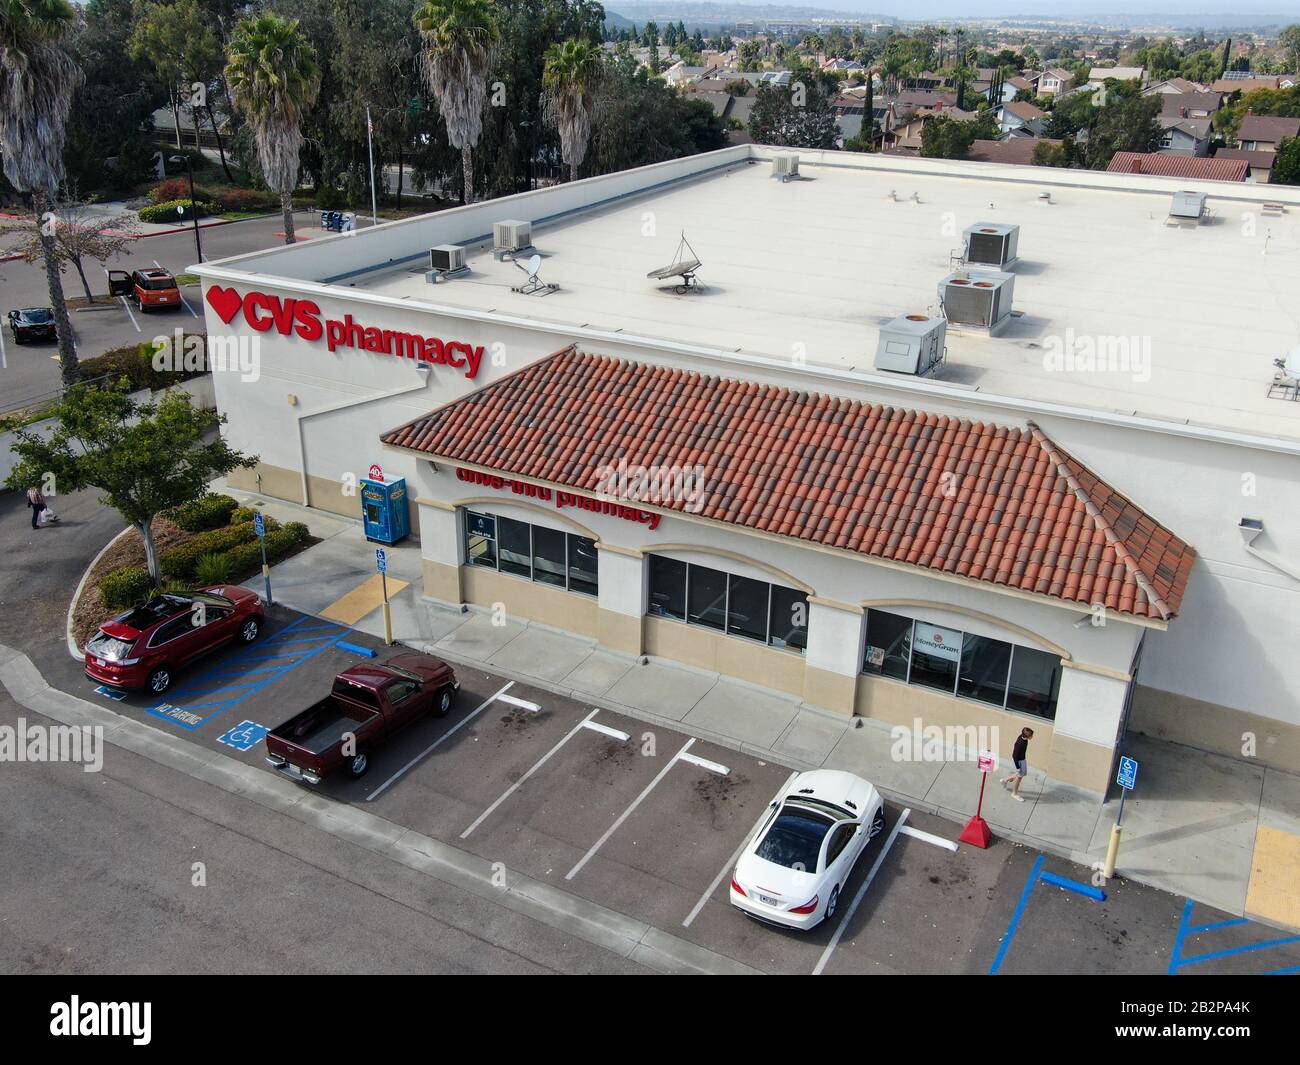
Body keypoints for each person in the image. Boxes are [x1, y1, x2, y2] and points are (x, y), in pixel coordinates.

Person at [1001, 727, 1034, 801]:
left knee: (1021, 774)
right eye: (1031, 735)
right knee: (1019, 777)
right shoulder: (1020, 743)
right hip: (1018, 761)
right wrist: (1018, 767)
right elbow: (1015, 756)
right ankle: (1014, 793)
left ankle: (1005, 780)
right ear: (1027, 736)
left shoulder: (1023, 738)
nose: (1032, 736)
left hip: (1022, 759)